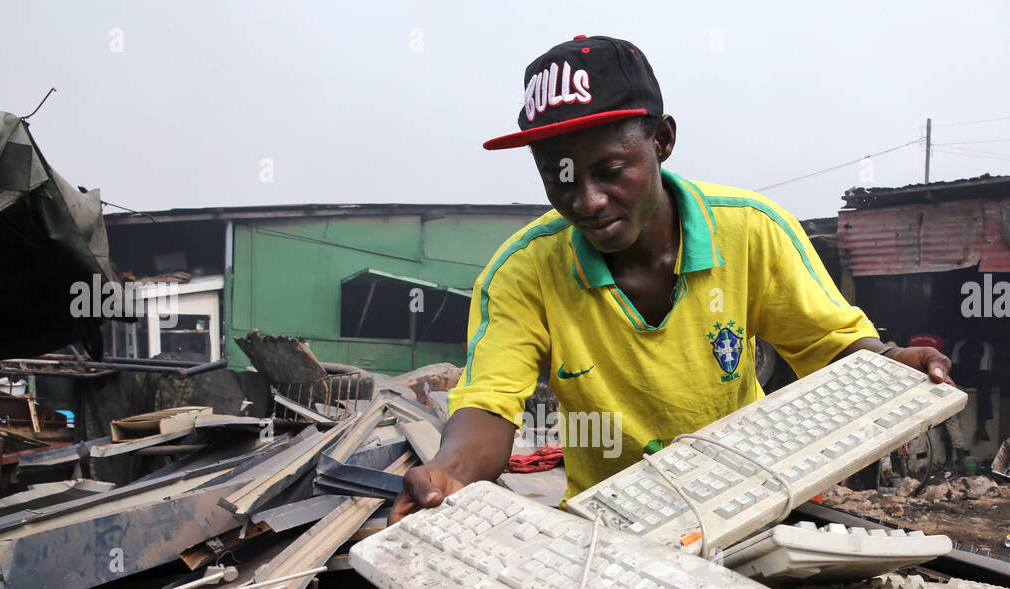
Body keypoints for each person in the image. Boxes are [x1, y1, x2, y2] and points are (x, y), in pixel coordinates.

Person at [391, 35, 950, 522]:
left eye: (610, 171)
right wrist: (448, 473)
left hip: (746, 505)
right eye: (559, 179)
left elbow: (828, 346)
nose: (586, 201)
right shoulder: (522, 272)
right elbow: (490, 403)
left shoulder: (750, 232)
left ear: (661, 141)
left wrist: (888, 360)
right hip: (605, 525)